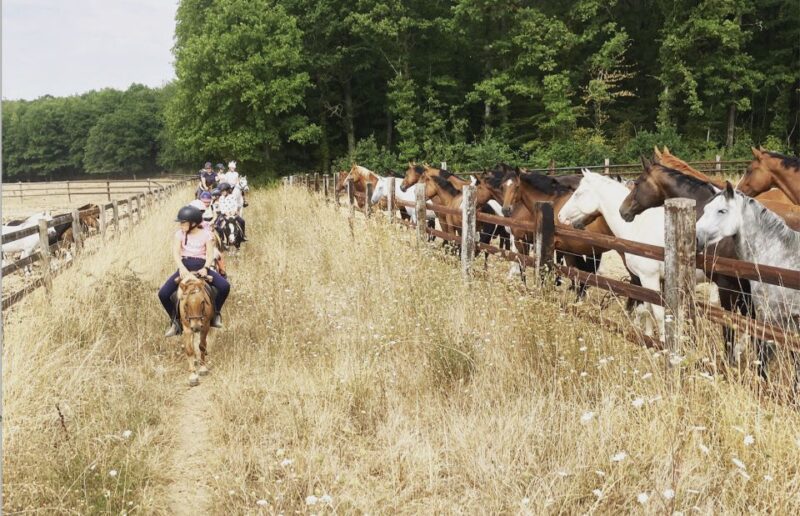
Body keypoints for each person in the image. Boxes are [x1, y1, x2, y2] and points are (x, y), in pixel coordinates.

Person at [158, 206, 230, 337]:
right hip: (184, 265)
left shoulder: (206, 235)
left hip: (201, 265)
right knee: (163, 294)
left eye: (183, 222)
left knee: (225, 286)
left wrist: (205, 268)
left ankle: (216, 314)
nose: (180, 225)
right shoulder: (179, 234)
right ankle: (175, 321)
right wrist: (181, 268)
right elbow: (176, 252)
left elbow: (209, 255)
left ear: (193, 223)